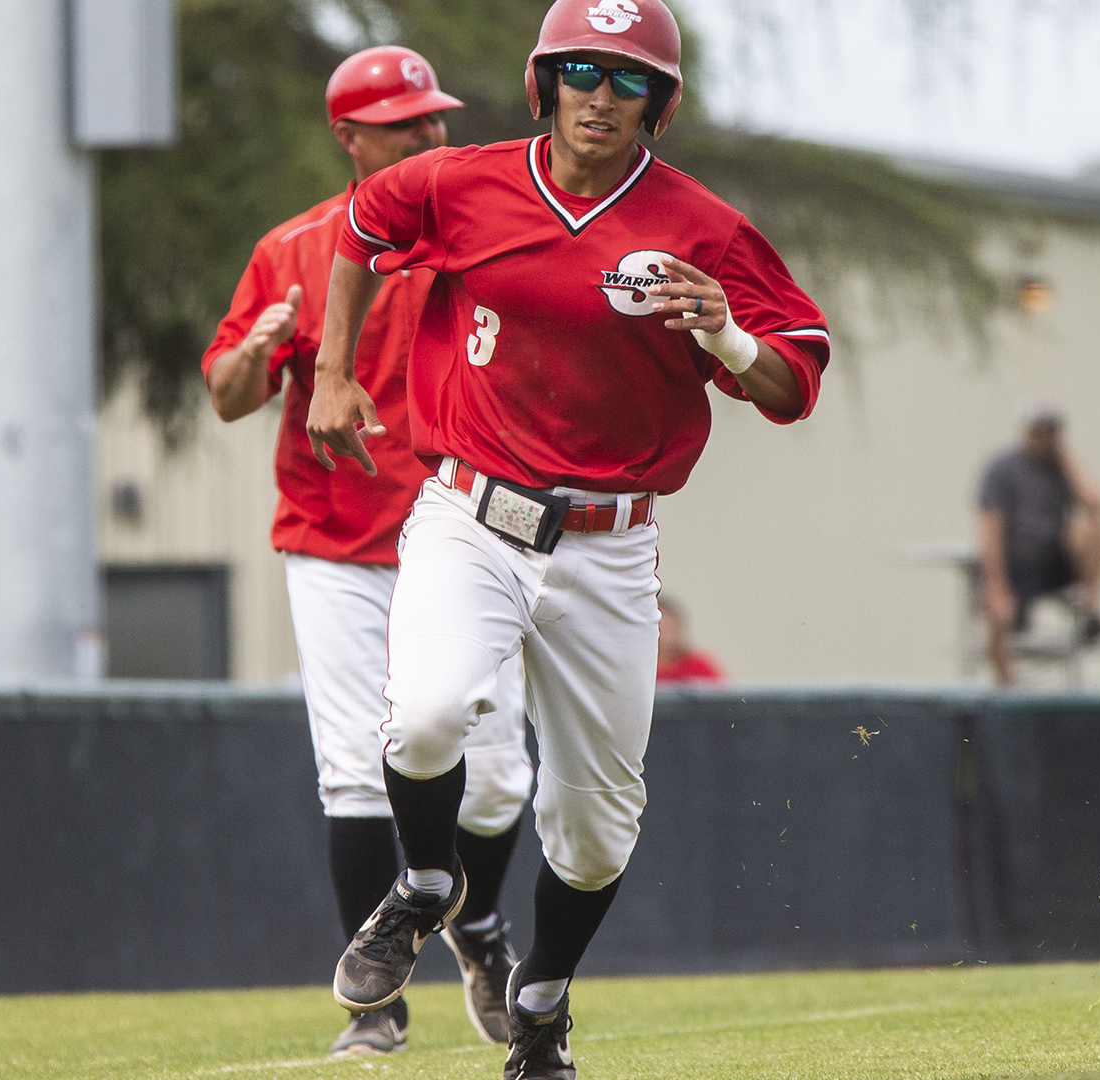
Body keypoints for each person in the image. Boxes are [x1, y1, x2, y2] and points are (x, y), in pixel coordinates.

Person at [305, 3, 829, 1077]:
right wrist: (331, 370)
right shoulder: (460, 184)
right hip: (472, 509)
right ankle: (426, 883)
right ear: (546, 83)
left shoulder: (704, 228)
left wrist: (724, 329)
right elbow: (360, 227)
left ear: (660, 103)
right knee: (426, 716)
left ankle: (541, 996)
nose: (601, 94)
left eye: (627, 78)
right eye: (581, 70)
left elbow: (796, 382)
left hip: (610, 542)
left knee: (594, 829)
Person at [200, 46, 537, 1057]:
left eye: (433, 118)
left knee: (497, 779)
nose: (429, 135)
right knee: (353, 771)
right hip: (339, 538)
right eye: (402, 124)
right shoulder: (296, 247)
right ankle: (374, 1007)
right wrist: (260, 350)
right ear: (349, 138)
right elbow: (226, 391)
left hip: (468, 534)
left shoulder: (480, 232)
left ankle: (475, 927)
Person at [977, 401, 1100, 686]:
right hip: (1017, 561)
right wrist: (997, 585)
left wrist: (1067, 460)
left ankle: (1092, 612)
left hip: (1053, 561)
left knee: (1090, 529)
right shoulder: (1003, 468)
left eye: (1052, 431)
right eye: (1040, 431)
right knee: (998, 613)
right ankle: (1007, 690)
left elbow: (1098, 504)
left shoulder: (1062, 468)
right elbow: (990, 529)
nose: (1045, 438)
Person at [654, 596, 727, 686]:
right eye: (661, 627)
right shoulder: (640, 667)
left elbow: (721, 693)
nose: (667, 635)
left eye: (670, 627)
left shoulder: (698, 665)